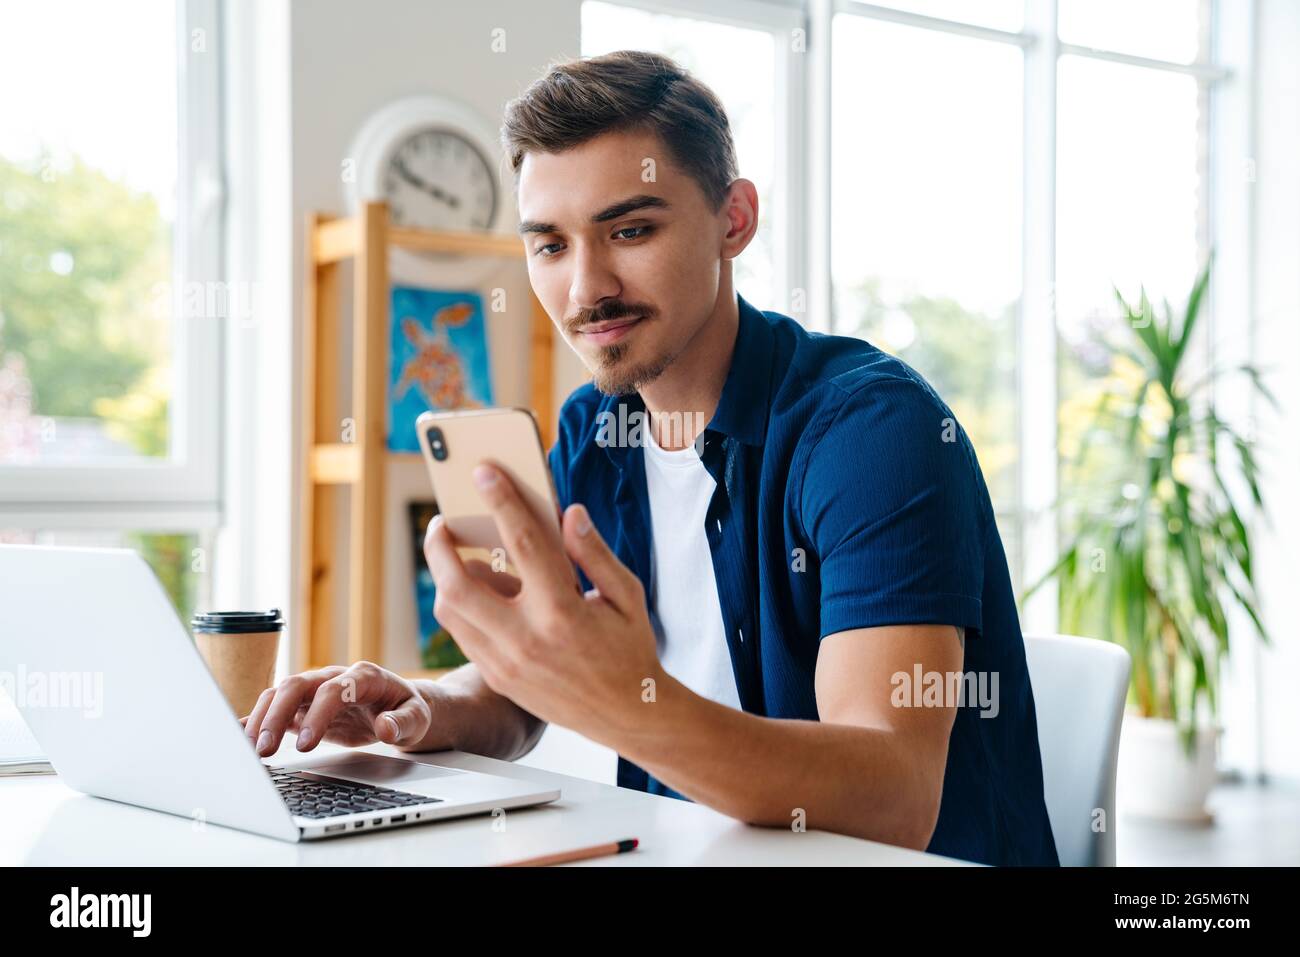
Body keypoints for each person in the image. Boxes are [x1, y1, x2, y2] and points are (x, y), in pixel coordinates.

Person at [243, 50, 1058, 866]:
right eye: (551, 245)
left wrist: (626, 705)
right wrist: (423, 703)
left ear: (733, 220)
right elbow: (524, 689)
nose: (586, 288)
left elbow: (894, 796)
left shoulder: (873, 432)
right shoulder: (596, 432)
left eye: (630, 230)